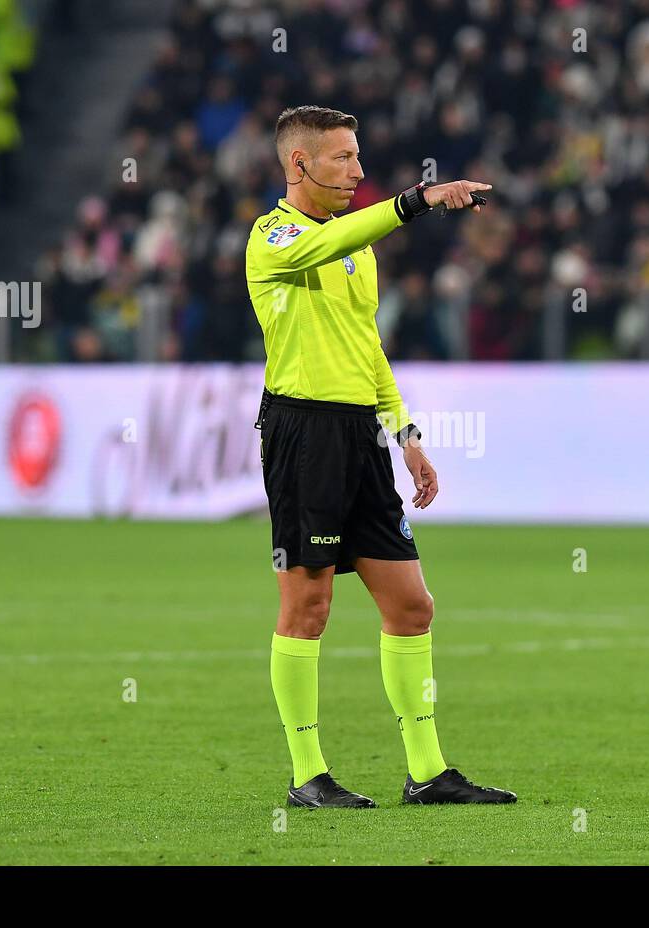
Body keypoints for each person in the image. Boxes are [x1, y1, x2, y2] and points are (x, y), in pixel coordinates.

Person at [244, 105, 514, 808]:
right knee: (309, 605)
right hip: (303, 435)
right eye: (342, 159)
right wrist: (417, 201)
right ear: (298, 164)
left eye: (359, 157)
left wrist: (406, 434)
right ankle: (308, 776)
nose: (358, 171)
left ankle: (426, 773)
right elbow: (333, 242)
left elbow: (367, 345)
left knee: (412, 605)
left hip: (362, 434)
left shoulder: (354, 245)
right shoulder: (274, 237)